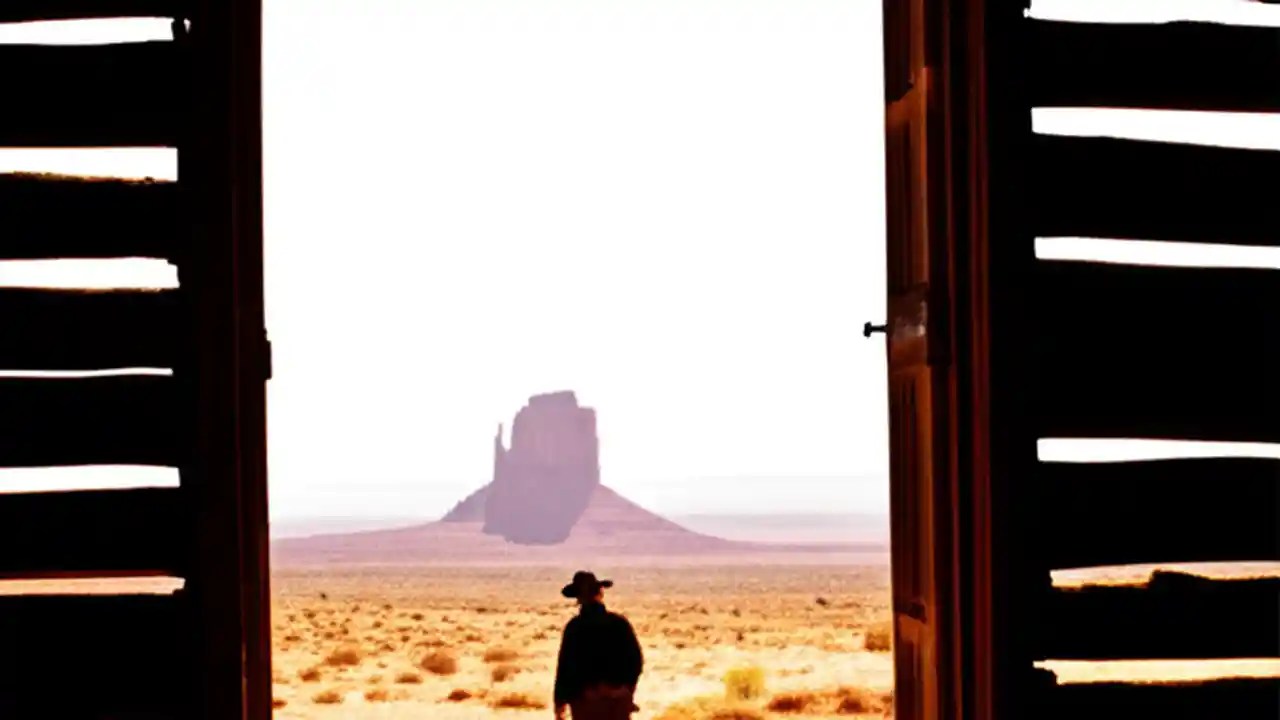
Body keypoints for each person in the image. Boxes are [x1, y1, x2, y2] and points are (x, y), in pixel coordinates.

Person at [553, 571, 644, 720]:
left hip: (585, 702)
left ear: (578, 598)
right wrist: (625, 690)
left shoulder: (575, 627)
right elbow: (635, 661)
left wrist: (560, 702)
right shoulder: (619, 623)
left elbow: (565, 668)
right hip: (617, 700)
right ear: (599, 592)